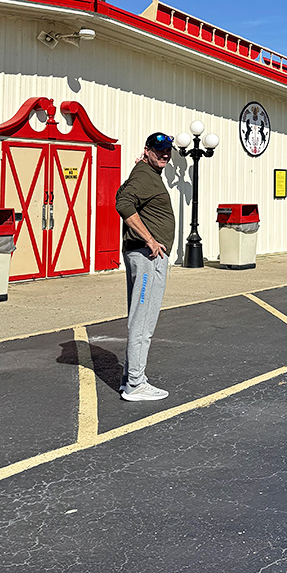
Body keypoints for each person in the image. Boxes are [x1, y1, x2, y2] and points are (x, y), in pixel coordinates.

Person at [115, 132, 176, 402]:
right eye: (159, 149)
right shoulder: (144, 175)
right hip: (148, 257)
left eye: (168, 150)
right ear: (147, 150)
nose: (165, 154)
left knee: (140, 318)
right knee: (143, 320)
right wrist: (149, 239)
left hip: (143, 255)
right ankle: (135, 384)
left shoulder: (145, 173)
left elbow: (121, 193)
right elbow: (123, 203)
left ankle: (131, 378)